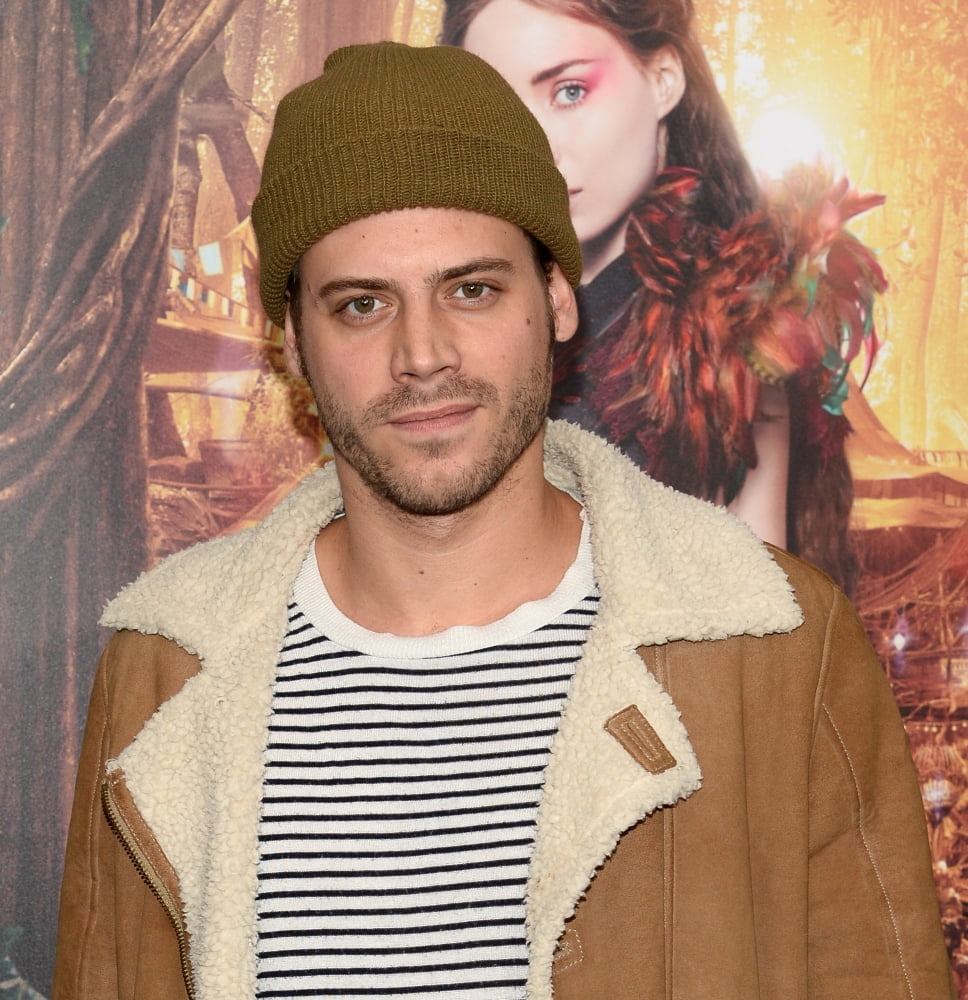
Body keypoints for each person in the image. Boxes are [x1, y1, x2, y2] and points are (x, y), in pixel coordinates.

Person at [52, 40, 951, 1000]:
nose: (423, 353)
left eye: (471, 289)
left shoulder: (777, 649)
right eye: (362, 305)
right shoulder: (165, 669)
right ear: (293, 345)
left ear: (557, 299)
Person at [442, 0, 887, 595]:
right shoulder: (460, 315)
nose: (537, 150)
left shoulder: (731, 322)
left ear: (663, 80)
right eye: (498, 114)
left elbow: (753, 615)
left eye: (570, 92)